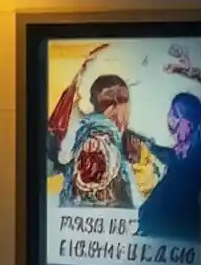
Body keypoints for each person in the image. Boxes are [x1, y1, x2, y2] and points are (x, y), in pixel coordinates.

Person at [58, 74, 143, 209]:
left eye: (122, 100)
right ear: (95, 104)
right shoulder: (89, 134)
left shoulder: (133, 139)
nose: (117, 107)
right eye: (108, 102)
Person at [134, 93, 201, 242]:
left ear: (190, 123)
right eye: (171, 114)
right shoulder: (181, 156)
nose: (171, 120)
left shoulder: (193, 159)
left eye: (176, 115)